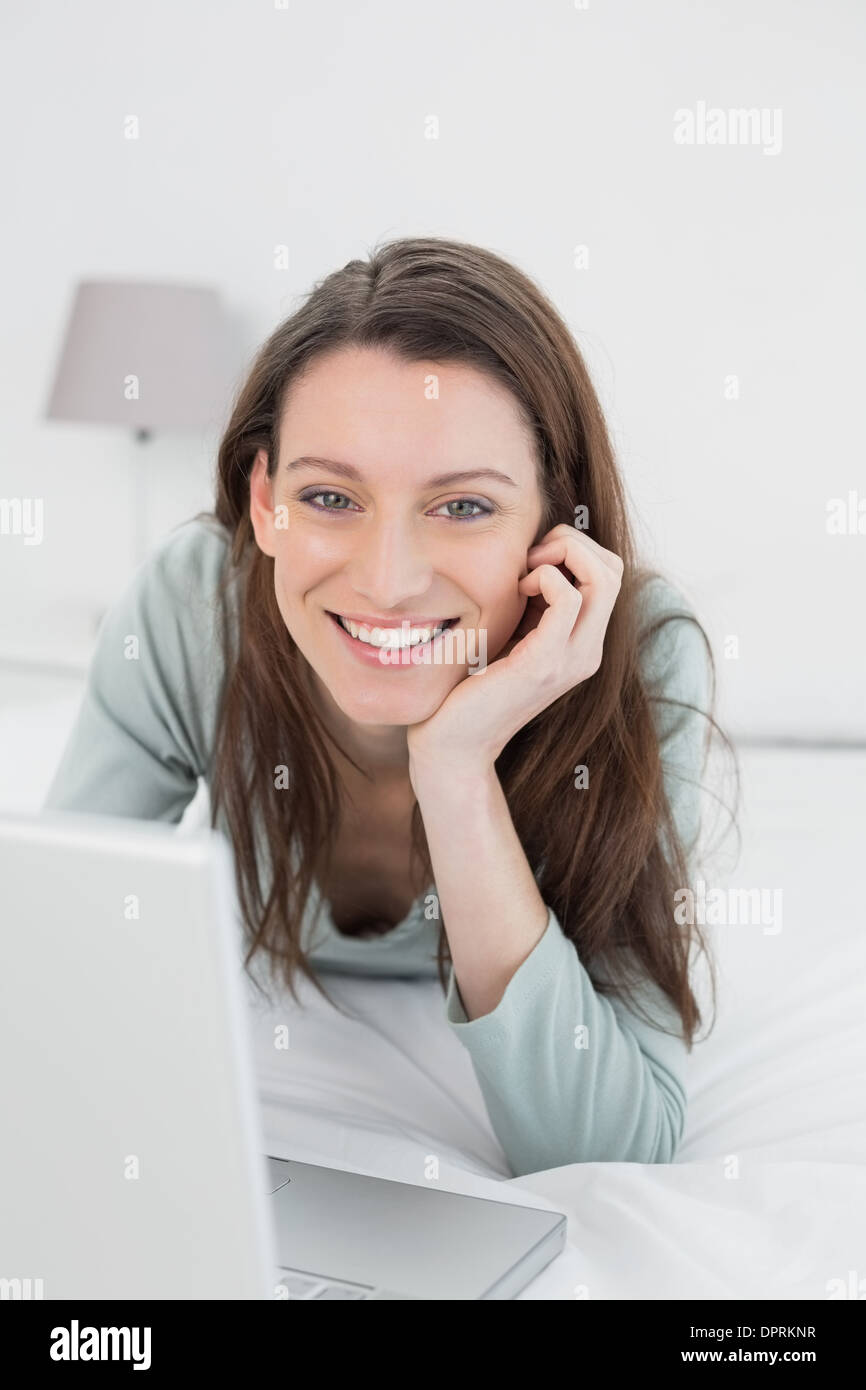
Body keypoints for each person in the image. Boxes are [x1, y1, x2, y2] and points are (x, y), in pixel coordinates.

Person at [44, 236, 728, 1178]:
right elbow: (50, 956)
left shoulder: (642, 654)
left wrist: (455, 770)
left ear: (556, 526)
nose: (388, 581)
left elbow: (609, 1148)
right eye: (330, 496)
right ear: (264, 499)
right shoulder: (190, 608)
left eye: (463, 508)